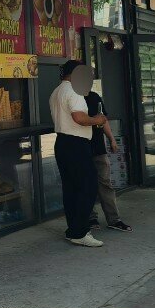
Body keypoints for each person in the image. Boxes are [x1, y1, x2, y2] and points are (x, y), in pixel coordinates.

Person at [50, 60, 107, 247]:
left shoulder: (57, 91)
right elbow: (79, 118)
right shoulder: (74, 91)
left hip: (62, 143)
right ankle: (80, 231)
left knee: (71, 189)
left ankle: (73, 229)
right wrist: (97, 119)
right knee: (88, 186)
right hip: (76, 144)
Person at [85, 89, 132, 232]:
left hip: (99, 148)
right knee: (86, 184)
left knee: (105, 184)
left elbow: (103, 119)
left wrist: (112, 140)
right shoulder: (73, 96)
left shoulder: (94, 97)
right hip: (81, 148)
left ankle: (114, 219)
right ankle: (91, 217)